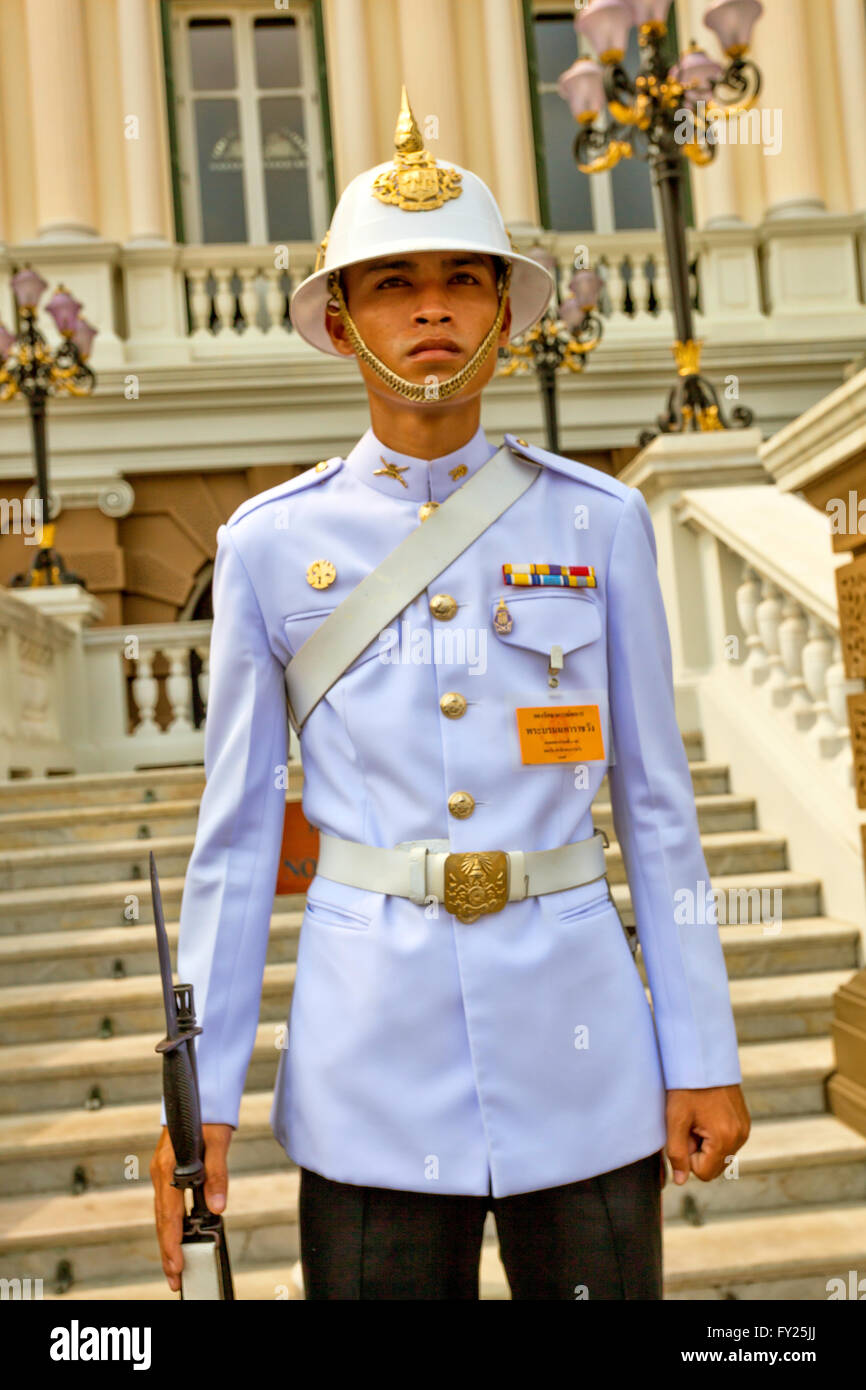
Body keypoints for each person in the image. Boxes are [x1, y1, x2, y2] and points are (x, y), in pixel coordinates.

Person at [151, 87, 750, 1300]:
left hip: (579, 1050)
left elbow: (657, 808)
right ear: (338, 323)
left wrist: (699, 1049)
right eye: (389, 280)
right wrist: (197, 1105)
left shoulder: (598, 520)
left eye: (462, 278)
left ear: (502, 314)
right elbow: (233, 843)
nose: (430, 302)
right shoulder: (270, 543)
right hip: (372, 1058)